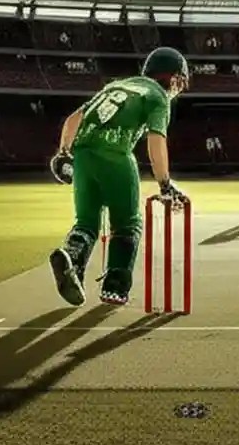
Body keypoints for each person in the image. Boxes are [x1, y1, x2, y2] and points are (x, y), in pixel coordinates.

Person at [48, 46, 191, 306]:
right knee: (128, 224)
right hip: (115, 153)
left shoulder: (116, 86)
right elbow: (156, 139)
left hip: (82, 155)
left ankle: (71, 259)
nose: (178, 89)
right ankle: (115, 285)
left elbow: (73, 119)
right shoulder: (157, 95)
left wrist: (63, 154)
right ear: (173, 78)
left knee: (86, 223)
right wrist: (165, 184)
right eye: (180, 83)